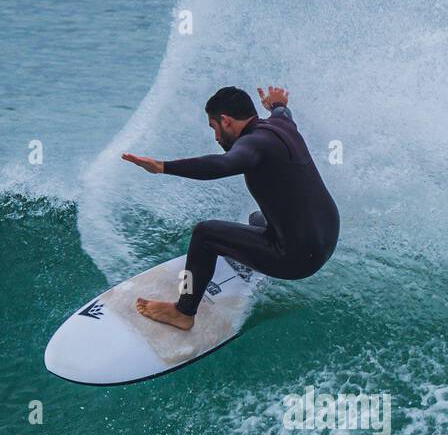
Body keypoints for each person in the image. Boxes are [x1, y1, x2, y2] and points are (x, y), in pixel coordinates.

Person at [122, 85, 339, 330]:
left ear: (225, 120)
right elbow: (283, 111)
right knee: (257, 219)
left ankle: (183, 312)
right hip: (327, 237)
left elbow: (222, 164)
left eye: (214, 128)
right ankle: (253, 259)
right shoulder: (280, 124)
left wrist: (163, 167)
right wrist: (277, 104)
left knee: (205, 234)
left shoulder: (252, 145)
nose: (216, 137)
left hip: (299, 258)